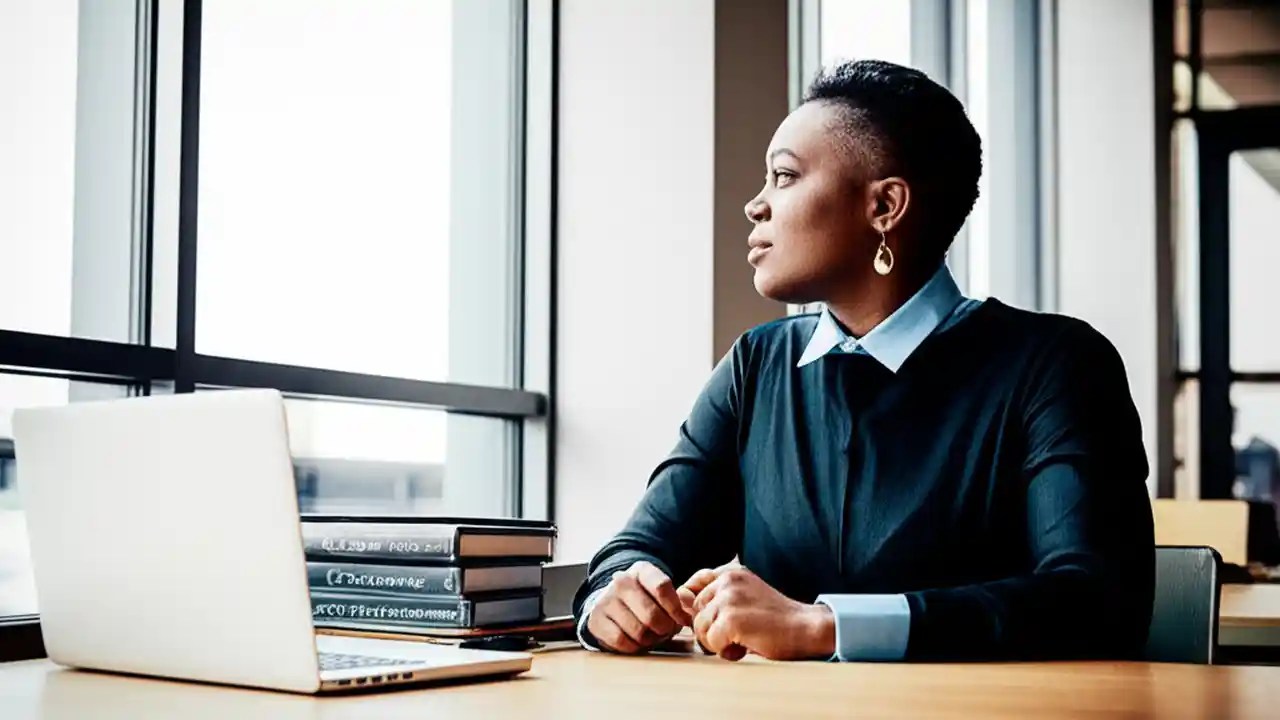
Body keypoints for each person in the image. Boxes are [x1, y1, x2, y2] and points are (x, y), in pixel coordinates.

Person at [571, 59, 1155, 663]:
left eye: (784, 176)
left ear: (885, 207)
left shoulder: (1056, 365)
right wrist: (617, 600)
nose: (755, 205)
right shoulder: (755, 365)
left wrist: (824, 627)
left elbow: (1096, 601)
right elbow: (638, 549)